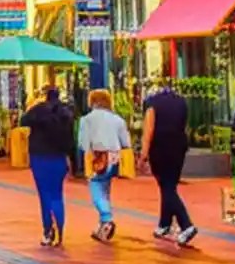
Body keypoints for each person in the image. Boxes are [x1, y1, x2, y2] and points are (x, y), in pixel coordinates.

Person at [142, 84, 198, 246]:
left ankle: (186, 224)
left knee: (166, 187)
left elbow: (149, 128)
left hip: (160, 147)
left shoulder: (152, 103)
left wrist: (143, 154)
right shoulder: (181, 102)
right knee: (169, 185)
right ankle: (164, 223)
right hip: (178, 147)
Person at [20, 87, 75, 246]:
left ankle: (48, 229)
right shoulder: (66, 113)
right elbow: (71, 139)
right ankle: (60, 229)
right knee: (57, 194)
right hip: (59, 157)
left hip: (39, 156)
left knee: (44, 194)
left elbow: (23, 121)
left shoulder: (38, 111)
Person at [78, 88, 131, 243]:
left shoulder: (87, 119)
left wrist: (86, 157)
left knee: (96, 189)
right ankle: (102, 226)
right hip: (114, 157)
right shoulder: (118, 119)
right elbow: (126, 142)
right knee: (106, 188)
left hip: (98, 157)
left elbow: (83, 143)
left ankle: (106, 219)